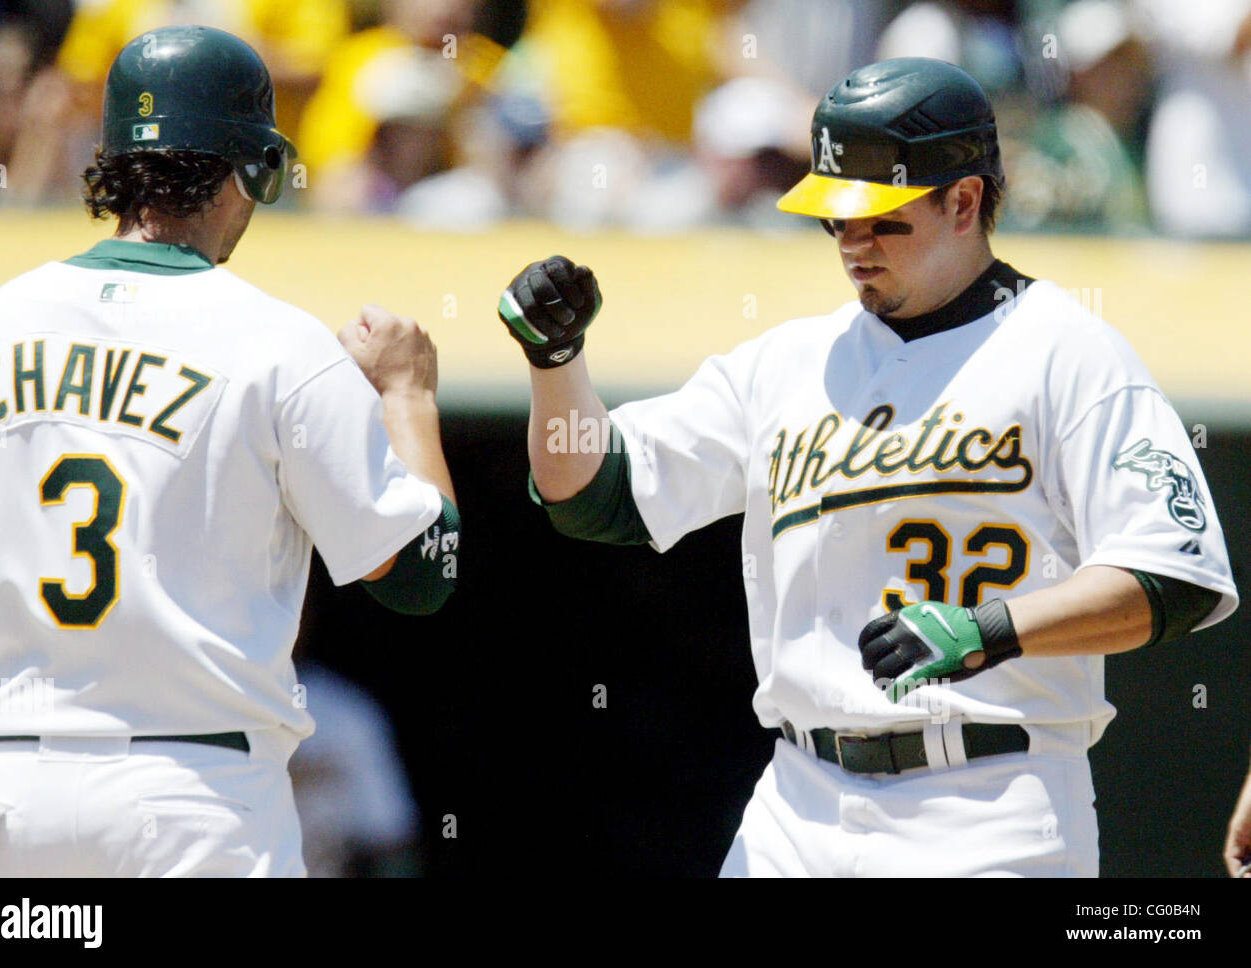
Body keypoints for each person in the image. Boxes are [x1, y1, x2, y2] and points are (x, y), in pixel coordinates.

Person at [495, 57, 1237, 876]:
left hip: (992, 802)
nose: (854, 245)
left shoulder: (1068, 350)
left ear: (964, 200)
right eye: (836, 222)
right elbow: (593, 495)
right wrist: (557, 362)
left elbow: (1175, 577)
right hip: (796, 803)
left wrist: (993, 630)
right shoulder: (787, 361)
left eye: (881, 220)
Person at [0, 25, 458, 877]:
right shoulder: (277, 343)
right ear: (250, 170)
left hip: (11, 796)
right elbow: (421, 574)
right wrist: (408, 395)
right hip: (194, 798)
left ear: (109, 167)